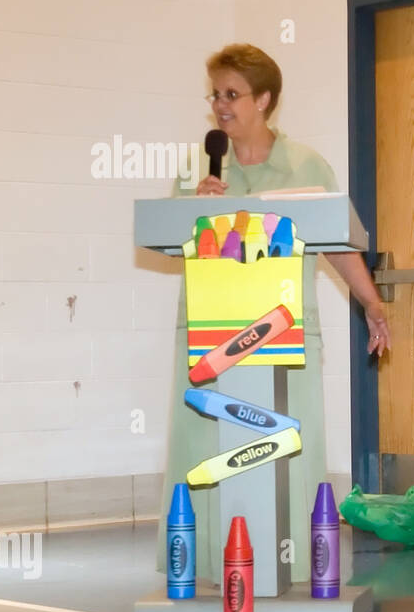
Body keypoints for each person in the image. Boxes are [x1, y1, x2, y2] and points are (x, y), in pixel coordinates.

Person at [158, 43, 390, 581]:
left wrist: (373, 305)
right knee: (205, 447)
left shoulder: (307, 165)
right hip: (207, 341)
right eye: (215, 94)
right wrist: (195, 208)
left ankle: (293, 565)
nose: (220, 105)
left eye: (232, 94)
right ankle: (210, 566)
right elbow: (167, 240)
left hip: (281, 337)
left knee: (285, 444)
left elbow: (337, 242)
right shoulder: (199, 167)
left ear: (264, 100)